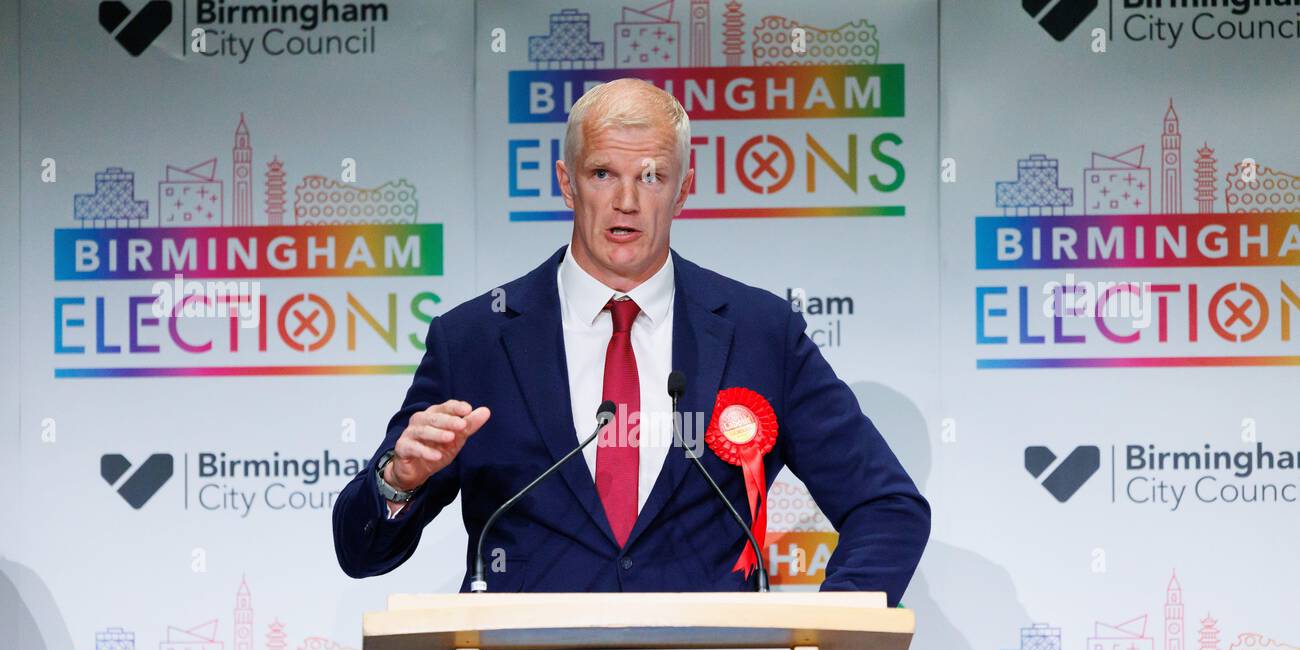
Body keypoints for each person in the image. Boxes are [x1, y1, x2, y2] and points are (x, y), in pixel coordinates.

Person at [331, 78, 929, 604]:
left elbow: (888, 508)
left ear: (684, 188)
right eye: (602, 174)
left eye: (651, 177)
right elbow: (361, 551)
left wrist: (826, 634)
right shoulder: (475, 338)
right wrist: (397, 480)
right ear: (567, 184)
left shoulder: (761, 333)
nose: (626, 201)